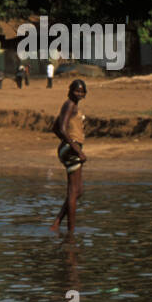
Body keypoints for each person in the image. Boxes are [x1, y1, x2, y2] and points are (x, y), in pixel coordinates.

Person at [50, 79, 88, 233]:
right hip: (72, 151)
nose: (79, 93)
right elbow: (62, 129)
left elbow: (55, 128)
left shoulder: (72, 106)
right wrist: (76, 149)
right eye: (76, 90)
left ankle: (57, 223)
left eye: (81, 91)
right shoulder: (69, 105)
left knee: (78, 191)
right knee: (73, 191)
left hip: (70, 149)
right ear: (70, 91)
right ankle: (70, 233)